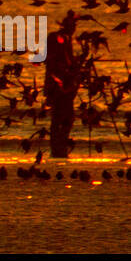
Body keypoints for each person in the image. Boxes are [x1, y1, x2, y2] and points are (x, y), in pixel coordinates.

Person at [44, 11, 85, 158]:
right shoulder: (57, 38)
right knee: (61, 117)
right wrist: (71, 70)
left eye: (74, 25)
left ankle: (59, 147)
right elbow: (55, 61)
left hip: (64, 85)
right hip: (59, 86)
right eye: (72, 25)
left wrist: (77, 66)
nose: (74, 28)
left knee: (64, 117)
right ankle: (58, 149)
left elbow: (68, 61)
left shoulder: (65, 39)